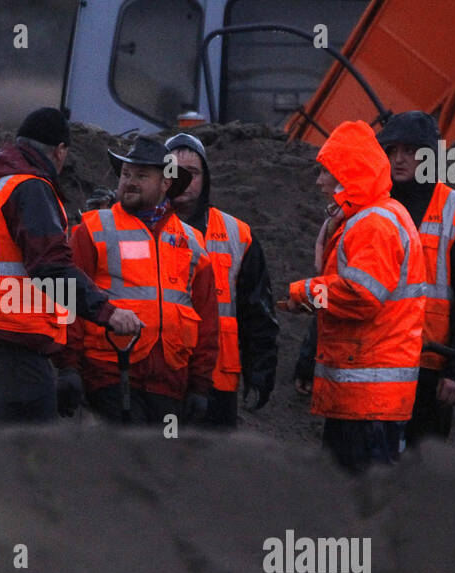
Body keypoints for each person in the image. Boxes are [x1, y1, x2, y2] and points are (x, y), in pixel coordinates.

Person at [0, 107, 142, 423]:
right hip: (12, 349)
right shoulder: (31, 188)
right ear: (60, 150)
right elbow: (50, 269)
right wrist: (107, 312)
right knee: (31, 458)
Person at [277, 120, 426, 473]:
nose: (319, 181)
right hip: (367, 397)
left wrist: (305, 293)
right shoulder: (372, 217)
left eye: (326, 171)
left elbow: (361, 296)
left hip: (368, 399)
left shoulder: (373, 223)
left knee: (361, 500)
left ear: (347, 174)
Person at [59, 135, 218, 425]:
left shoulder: (193, 243)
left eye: (141, 176)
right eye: (126, 174)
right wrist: (68, 366)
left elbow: (207, 320)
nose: (129, 182)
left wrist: (200, 386)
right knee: (120, 465)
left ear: (165, 184)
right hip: (109, 379)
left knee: (162, 467)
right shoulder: (93, 229)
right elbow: (69, 298)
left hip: (171, 387)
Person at [376, 111, 455, 444]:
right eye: (392, 150)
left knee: (418, 475)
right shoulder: (371, 207)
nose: (398, 159)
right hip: (375, 364)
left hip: (429, 367)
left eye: (410, 151)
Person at [165, 132, 278, 426]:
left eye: (192, 173)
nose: (183, 180)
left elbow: (258, 311)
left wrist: (260, 372)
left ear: (206, 179)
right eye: (173, 171)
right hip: (160, 376)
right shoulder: (139, 227)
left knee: (213, 465)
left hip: (217, 380)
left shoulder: (237, 234)